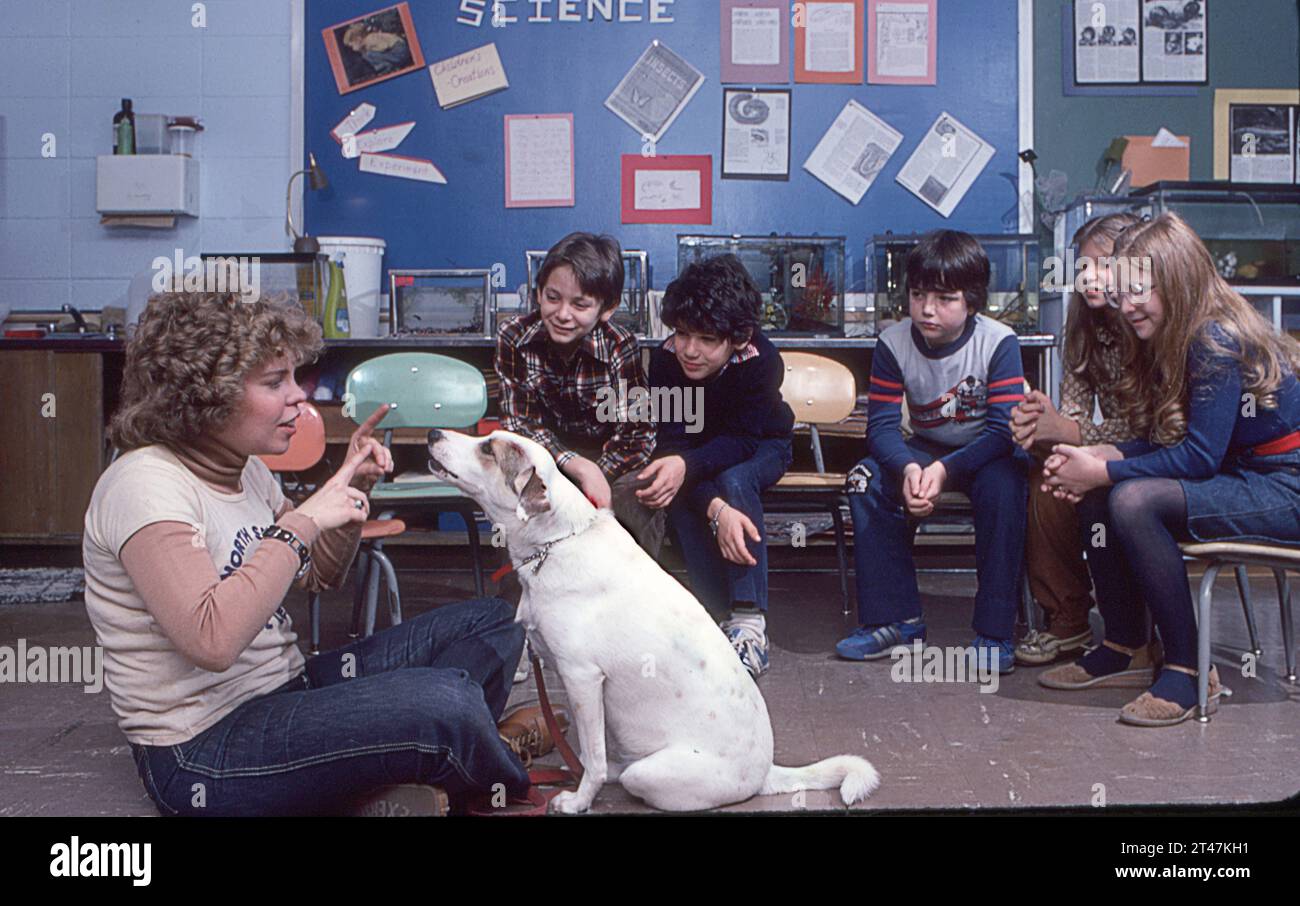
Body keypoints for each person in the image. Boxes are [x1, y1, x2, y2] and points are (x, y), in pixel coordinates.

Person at [83, 292, 555, 816]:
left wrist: (352, 494)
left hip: (289, 691)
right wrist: (302, 523)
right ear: (202, 397)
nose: (299, 400)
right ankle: (492, 761)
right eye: (273, 382)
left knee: (493, 619)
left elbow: (319, 577)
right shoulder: (144, 484)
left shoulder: (246, 470)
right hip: (204, 753)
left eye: (294, 378)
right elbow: (211, 640)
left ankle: (421, 768)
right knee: (446, 702)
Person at [1038, 212, 1300, 726]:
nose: (1126, 305)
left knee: (1133, 499)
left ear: (1177, 281)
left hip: (1285, 487)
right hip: (1244, 477)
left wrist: (1107, 470)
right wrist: (1100, 459)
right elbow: (1168, 442)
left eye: (1140, 290)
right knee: (1102, 497)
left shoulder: (1213, 338)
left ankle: (1187, 669)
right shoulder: (1171, 335)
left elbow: (1200, 457)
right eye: (1121, 292)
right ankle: (1125, 644)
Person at [836, 231, 1028, 674]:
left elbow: (1003, 432)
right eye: (918, 294)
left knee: (1005, 487)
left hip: (986, 452)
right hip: (922, 449)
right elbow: (881, 426)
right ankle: (896, 620)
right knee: (865, 479)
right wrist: (906, 467)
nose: (926, 308)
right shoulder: (893, 342)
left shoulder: (1000, 342)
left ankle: (995, 631)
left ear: (973, 301)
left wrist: (943, 471)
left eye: (945, 298)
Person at [642, 254, 795, 679]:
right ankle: (711, 617)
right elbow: (673, 443)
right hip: (694, 450)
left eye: (707, 339)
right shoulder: (666, 361)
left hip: (764, 445)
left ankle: (748, 623)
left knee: (732, 479)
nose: (690, 350)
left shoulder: (760, 360)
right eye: (683, 334)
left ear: (739, 337)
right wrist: (715, 510)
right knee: (678, 489)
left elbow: (744, 441)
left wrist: (701, 481)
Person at [1010, 213, 1144, 666]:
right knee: (1043, 470)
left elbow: (1152, 428)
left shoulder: (1149, 321)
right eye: (1082, 266)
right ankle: (1067, 617)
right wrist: (1039, 423)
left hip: (1151, 454)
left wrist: (1064, 432)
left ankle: (1134, 629)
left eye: (1103, 264)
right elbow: (1073, 410)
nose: (1090, 277)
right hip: (1104, 450)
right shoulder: (1083, 327)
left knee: (1065, 461)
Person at [496, 231, 663, 553]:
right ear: (538, 293)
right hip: (544, 456)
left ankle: (630, 592)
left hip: (612, 459)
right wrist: (575, 467)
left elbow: (638, 432)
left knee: (636, 496)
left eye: (580, 304)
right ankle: (520, 593)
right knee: (521, 500)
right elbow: (519, 423)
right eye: (553, 297)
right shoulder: (513, 336)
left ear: (607, 308)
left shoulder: (620, 344)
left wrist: (598, 473)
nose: (562, 314)